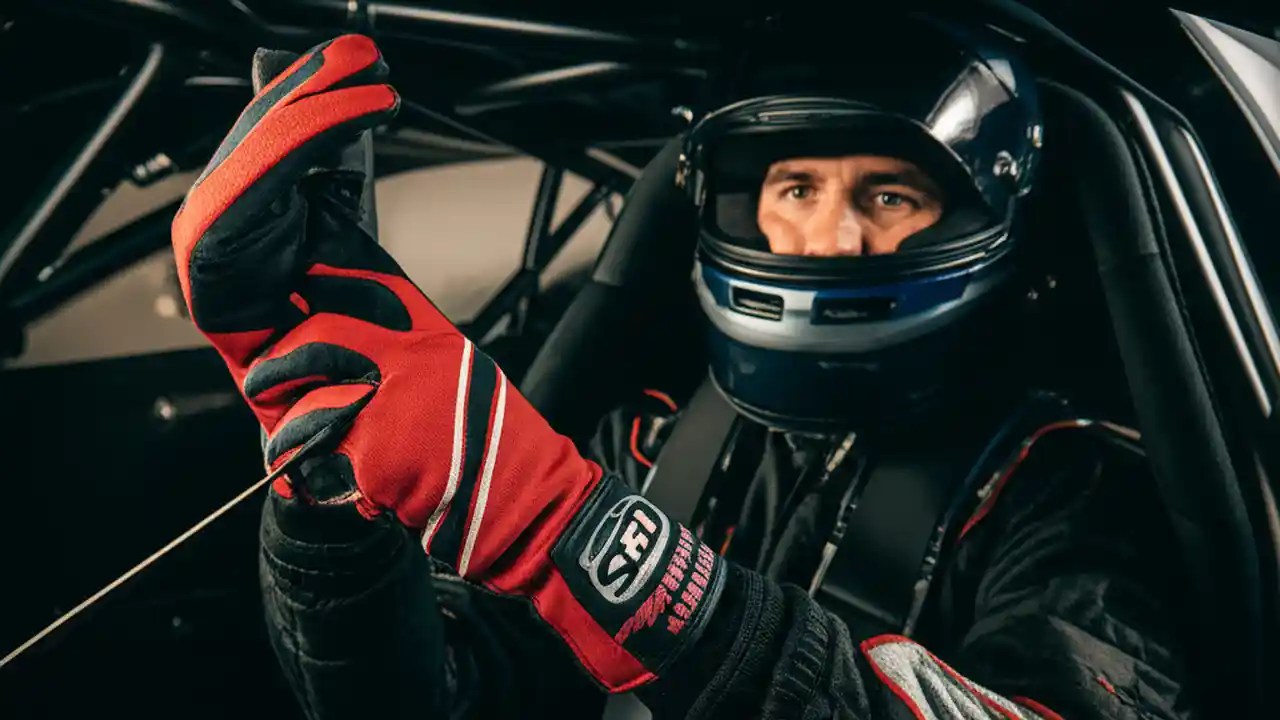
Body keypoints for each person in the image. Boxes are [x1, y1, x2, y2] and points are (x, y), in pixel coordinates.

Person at [168, 15, 1196, 720]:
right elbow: (442, 696)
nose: (826, 242)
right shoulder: (647, 433)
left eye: (886, 196)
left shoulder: (1070, 490)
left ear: (972, 220)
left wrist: (583, 537)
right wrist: (333, 508)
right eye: (795, 189)